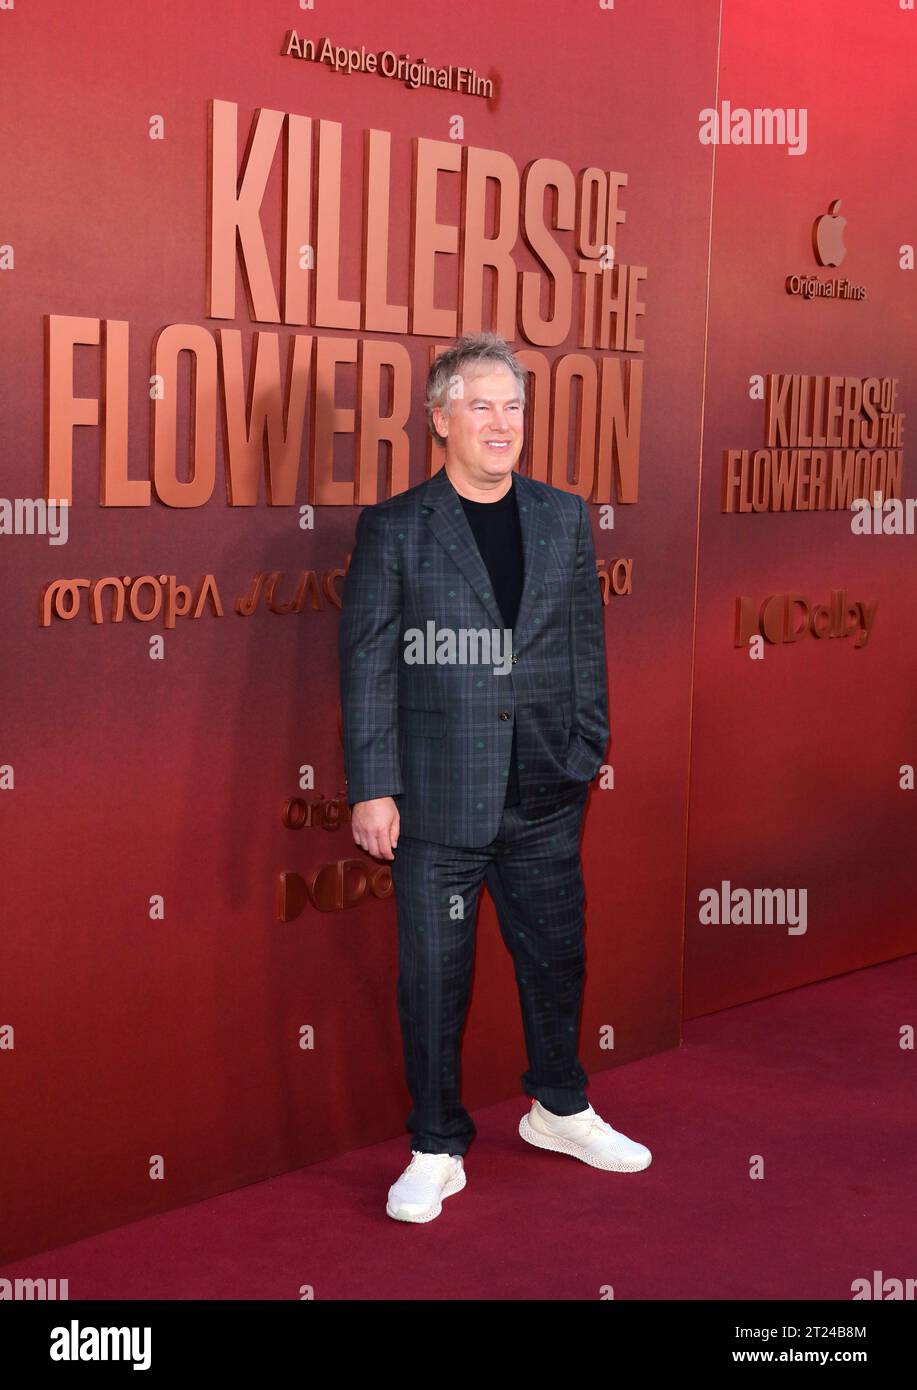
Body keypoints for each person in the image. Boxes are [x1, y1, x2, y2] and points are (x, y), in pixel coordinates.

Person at [339, 332, 651, 1223]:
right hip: (436, 798)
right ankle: (436, 1146)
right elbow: (366, 663)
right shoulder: (398, 527)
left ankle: (560, 1108)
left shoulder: (561, 514)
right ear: (439, 420)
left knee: (556, 959)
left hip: (548, 790)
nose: (500, 422)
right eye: (480, 405)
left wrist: (587, 744)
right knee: (434, 980)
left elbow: (583, 642)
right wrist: (372, 785)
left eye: (512, 405)